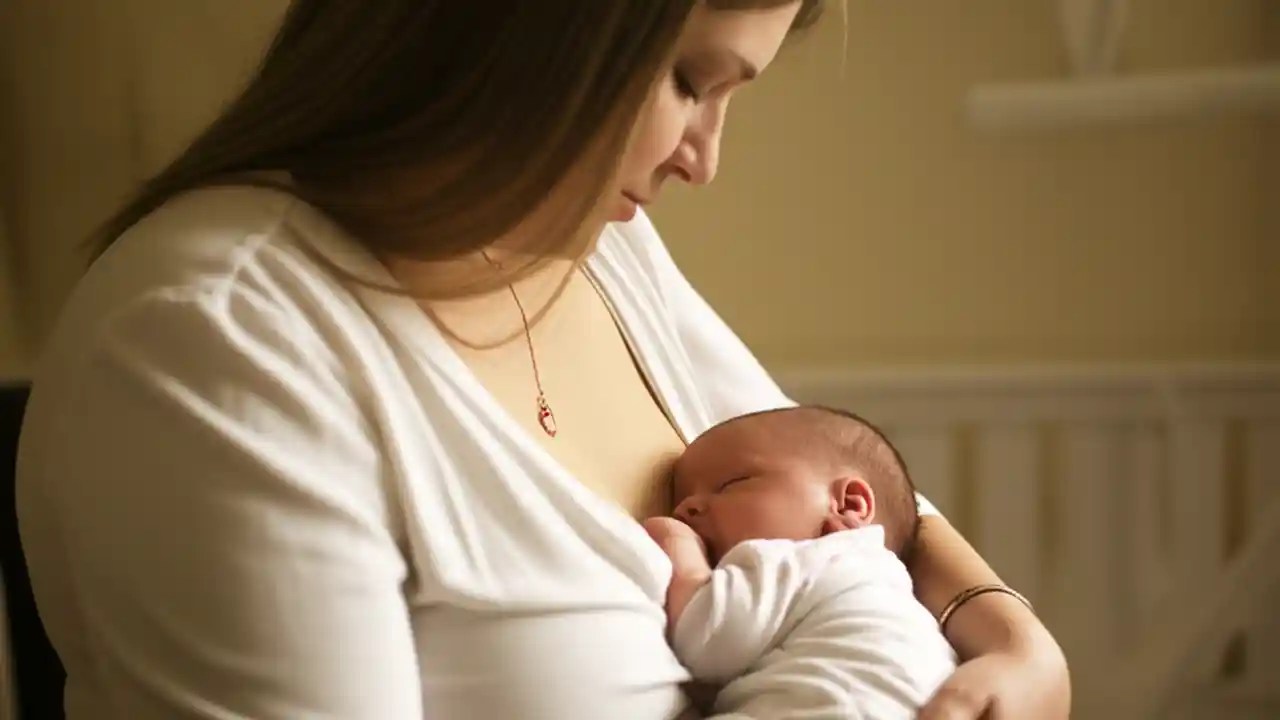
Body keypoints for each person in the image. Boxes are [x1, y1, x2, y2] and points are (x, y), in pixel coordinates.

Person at [15, 2, 1069, 718]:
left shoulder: (594, 248)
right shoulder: (219, 344)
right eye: (687, 80)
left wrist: (1016, 642)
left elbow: (861, 498)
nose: (704, 159)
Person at [644, 406, 958, 718]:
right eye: (679, 501)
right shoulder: (890, 593)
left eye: (731, 484)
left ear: (848, 504)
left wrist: (675, 542)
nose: (686, 508)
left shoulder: (810, 559)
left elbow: (706, 635)